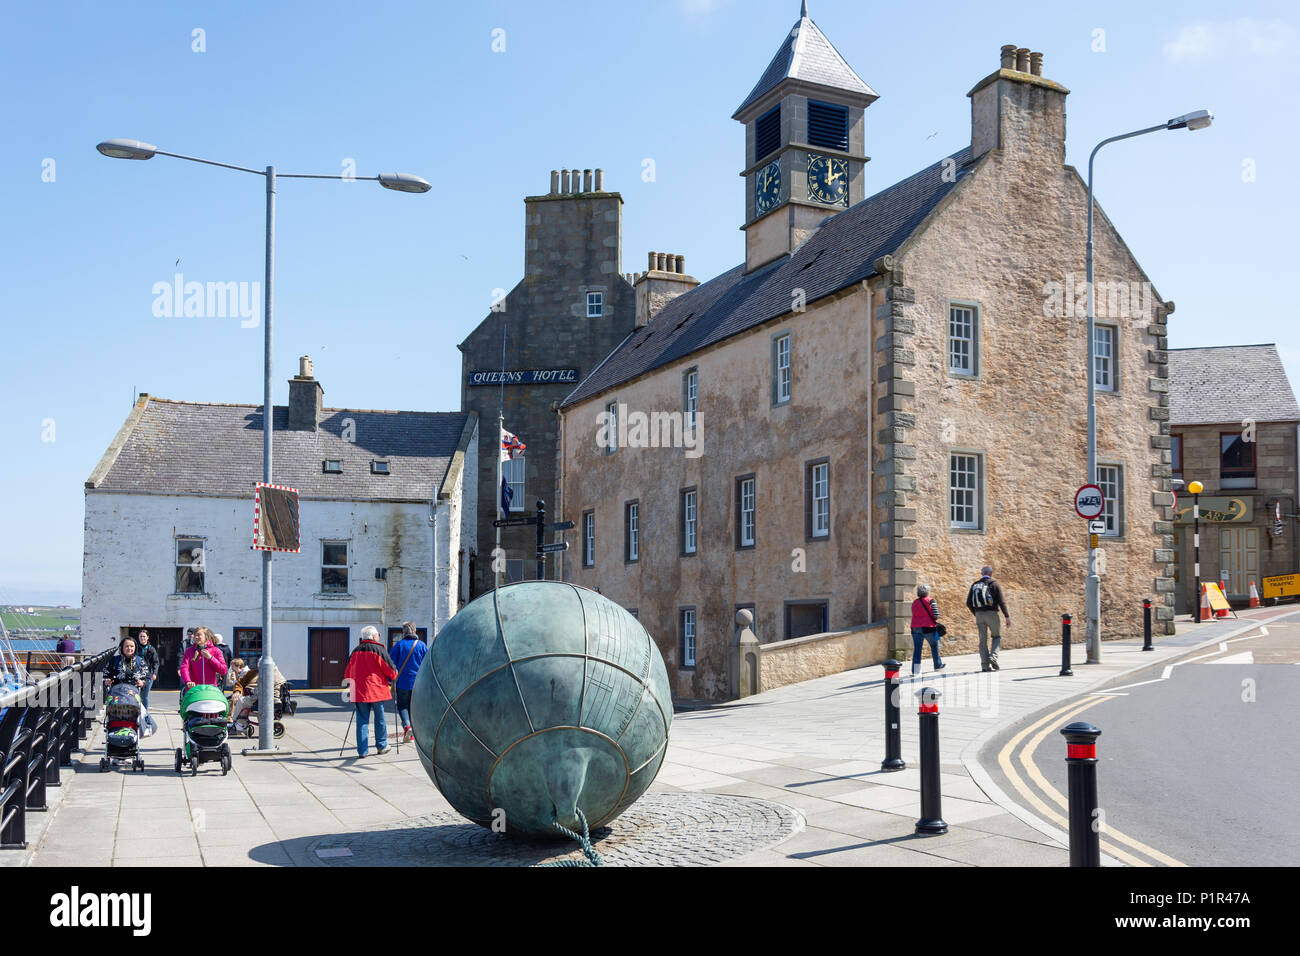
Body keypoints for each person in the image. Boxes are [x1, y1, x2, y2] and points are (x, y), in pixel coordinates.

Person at [342, 625, 397, 757]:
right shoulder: (379, 650)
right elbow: (391, 671)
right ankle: (382, 745)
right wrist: (394, 675)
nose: (379, 636)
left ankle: (362, 751)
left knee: (362, 721)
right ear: (373, 636)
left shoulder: (355, 651)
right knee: (380, 719)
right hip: (377, 690)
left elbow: (347, 674)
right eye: (378, 634)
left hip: (359, 691)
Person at [966, 564, 1011, 672]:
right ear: (991, 573)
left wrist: (976, 613)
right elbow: (1001, 602)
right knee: (996, 637)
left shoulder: (975, 585)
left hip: (979, 615)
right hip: (992, 614)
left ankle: (985, 666)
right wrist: (1007, 616)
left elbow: (968, 603)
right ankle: (993, 657)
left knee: (982, 641)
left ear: (982, 574)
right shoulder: (994, 584)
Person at [389, 622, 428, 744]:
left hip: (402, 682)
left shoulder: (399, 645)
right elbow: (426, 663)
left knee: (402, 706)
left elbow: (390, 662)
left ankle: (407, 727)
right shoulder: (422, 645)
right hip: (418, 683)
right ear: (414, 631)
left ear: (403, 632)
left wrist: (390, 679)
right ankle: (414, 733)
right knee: (414, 707)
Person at [229, 659, 288, 733]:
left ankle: (238, 723)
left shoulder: (268, 674)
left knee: (242, 701)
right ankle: (240, 723)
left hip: (267, 699)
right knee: (244, 701)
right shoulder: (277, 673)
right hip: (273, 698)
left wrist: (251, 691)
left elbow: (262, 690)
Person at [909, 585, 945, 676]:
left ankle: (916, 671)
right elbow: (936, 615)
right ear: (927, 592)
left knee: (917, 649)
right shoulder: (931, 601)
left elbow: (914, 613)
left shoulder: (914, 602)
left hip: (915, 627)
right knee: (934, 646)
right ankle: (937, 665)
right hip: (929, 627)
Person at [134, 629, 159, 713]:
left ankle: (144, 713)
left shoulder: (151, 649)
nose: (142, 638)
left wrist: (154, 673)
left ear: (147, 637)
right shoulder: (135, 648)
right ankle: (136, 711)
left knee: (144, 696)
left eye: (144, 636)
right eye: (140, 636)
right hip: (137, 674)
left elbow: (156, 662)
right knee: (135, 694)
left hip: (148, 675)